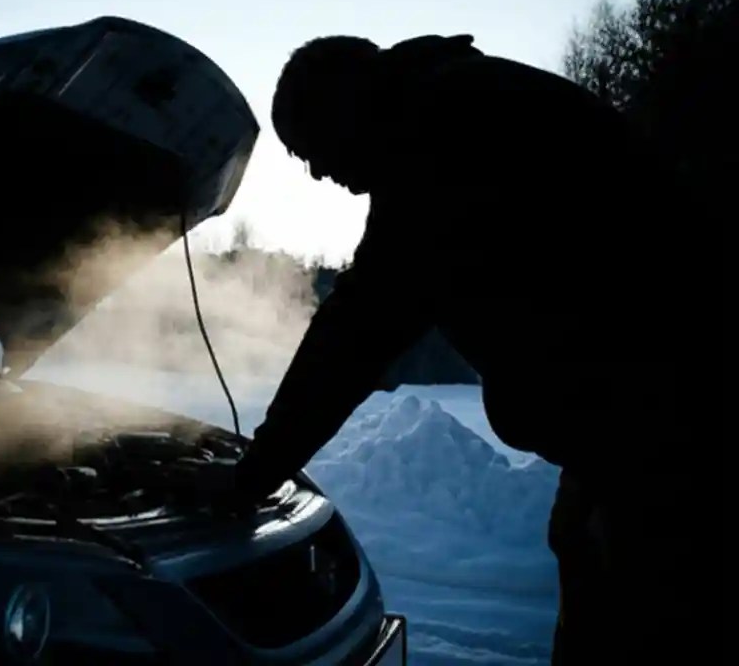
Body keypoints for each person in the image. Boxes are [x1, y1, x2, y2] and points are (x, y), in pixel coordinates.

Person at [209, 34, 720, 663]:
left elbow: (360, 328)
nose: (317, 172)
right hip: (634, 423)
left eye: (310, 148)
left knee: (643, 617)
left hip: (666, 426)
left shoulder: (442, 127)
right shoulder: (459, 101)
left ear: (341, 106)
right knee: (590, 566)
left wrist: (255, 475)